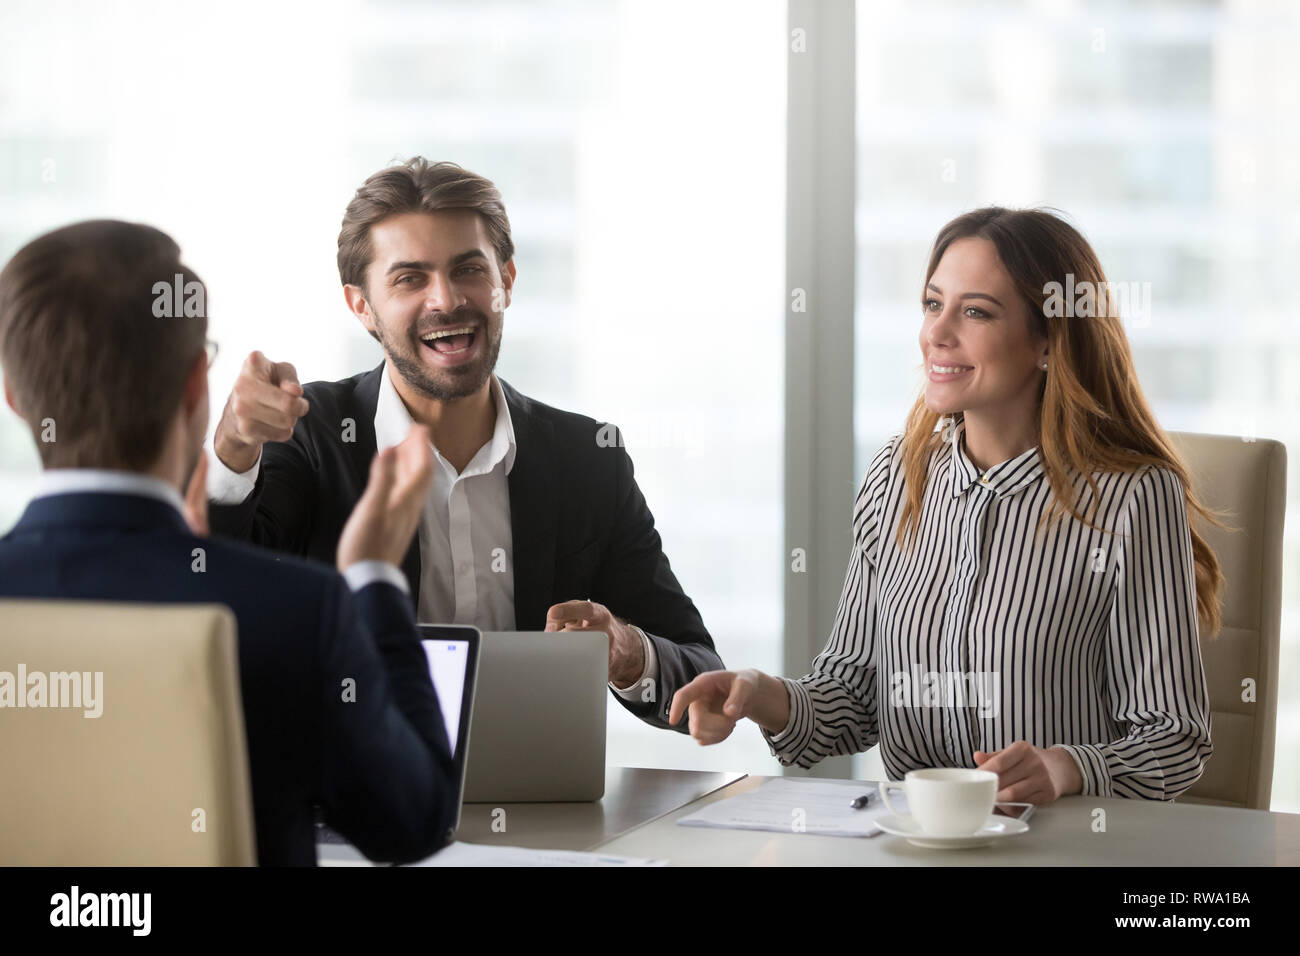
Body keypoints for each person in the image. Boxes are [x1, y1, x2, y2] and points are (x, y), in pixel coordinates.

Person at [671, 207, 1221, 804]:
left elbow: (1174, 739)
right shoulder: (896, 476)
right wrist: (756, 693)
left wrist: (1066, 769)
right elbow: (852, 696)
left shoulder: (1132, 497)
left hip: (1061, 848)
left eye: (976, 311)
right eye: (934, 304)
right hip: (915, 844)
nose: (937, 332)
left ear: (1047, 341)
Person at [205, 157, 721, 730]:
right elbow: (207, 596)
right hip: (348, 809)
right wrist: (233, 446)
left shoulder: (586, 458)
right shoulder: (312, 436)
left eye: (469, 269)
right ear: (362, 307)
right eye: (410, 278)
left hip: (542, 805)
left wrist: (626, 652)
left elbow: (699, 675)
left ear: (507, 282)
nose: (446, 300)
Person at [0, 220, 458, 865]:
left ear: (16, 397)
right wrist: (374, 578)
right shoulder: (299, 610)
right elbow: (413, 822)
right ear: (195, 383)